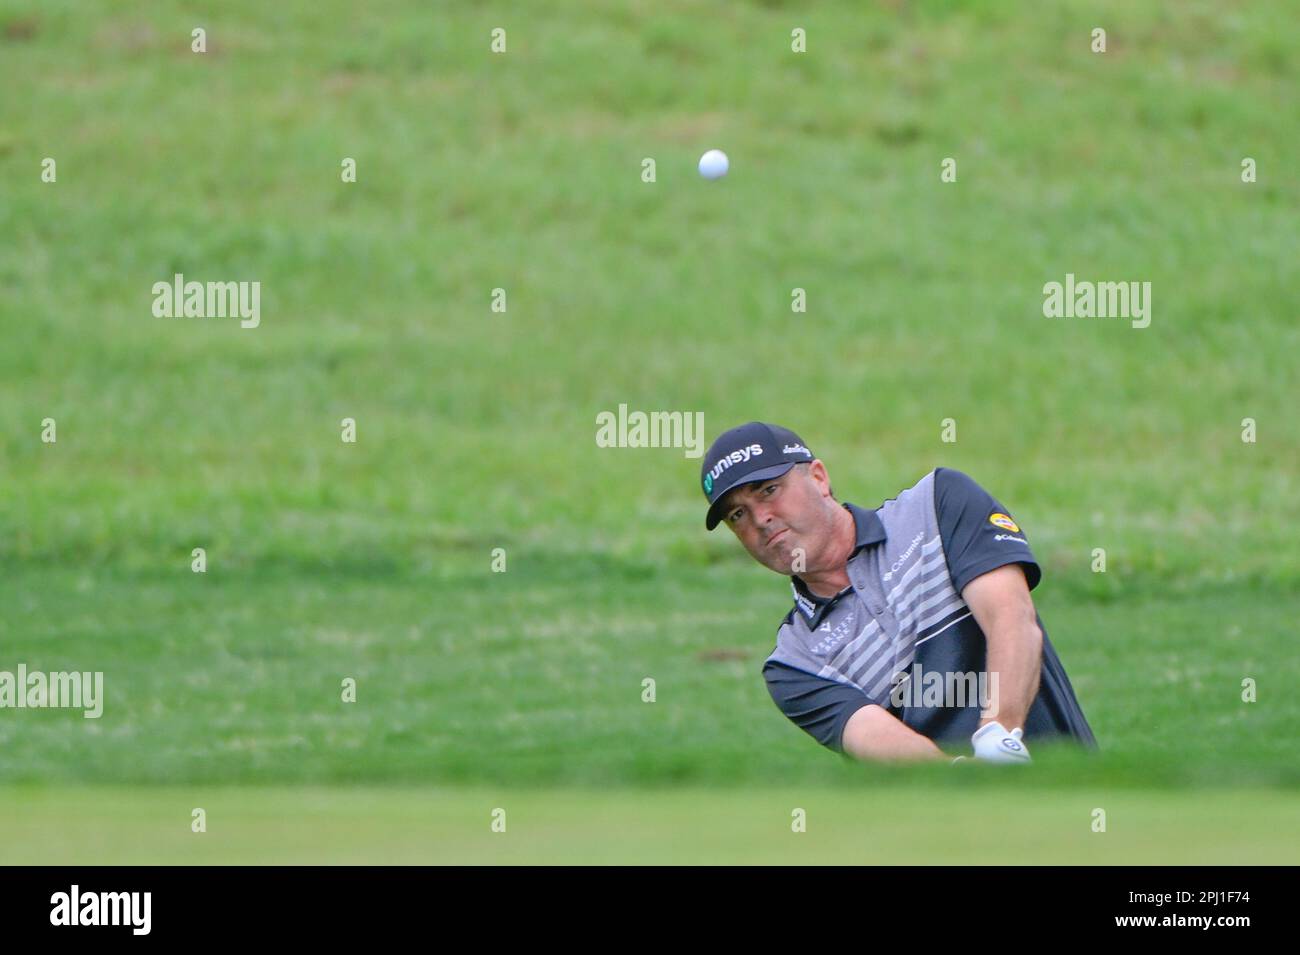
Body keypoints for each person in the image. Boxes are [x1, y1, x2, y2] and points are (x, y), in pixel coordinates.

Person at [700, 421, 1097, 763]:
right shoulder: (794, 663)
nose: (761, 519)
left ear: (819, 478)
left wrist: (999, 737)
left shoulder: (938, 506)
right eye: (738, 515)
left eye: (769, 490)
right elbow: (875, 740)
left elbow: (1011, 616)